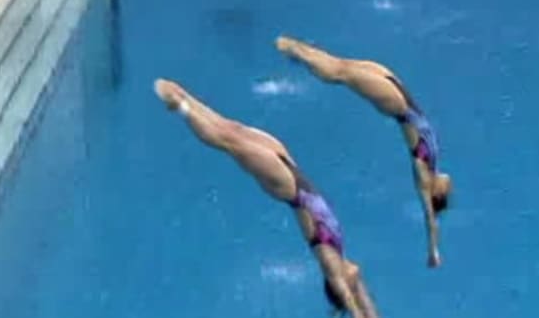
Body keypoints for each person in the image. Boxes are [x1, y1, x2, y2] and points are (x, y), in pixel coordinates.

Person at [154, 78, 379, 318]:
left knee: (230, 143)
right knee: (234, 130)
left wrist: (355, 311)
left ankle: (181, 107)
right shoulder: (342, 257)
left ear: (340, 287)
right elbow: (366, 304)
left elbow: (349, 298)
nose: (359, 278)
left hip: (288, 186)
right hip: (292, 169)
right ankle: (185, 96)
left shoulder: (329, 261)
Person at [276, 36, 452, 268]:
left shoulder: (423, 177)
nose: (449, 185)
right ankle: (299, 50)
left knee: (340, 74)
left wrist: (433, 251)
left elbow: (430, 218)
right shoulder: (435, 166)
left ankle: (294, 51)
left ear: (436, 195)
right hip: (399, 88)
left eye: (446, 193)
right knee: (341, 65)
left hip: (397, 103)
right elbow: (443, 187)